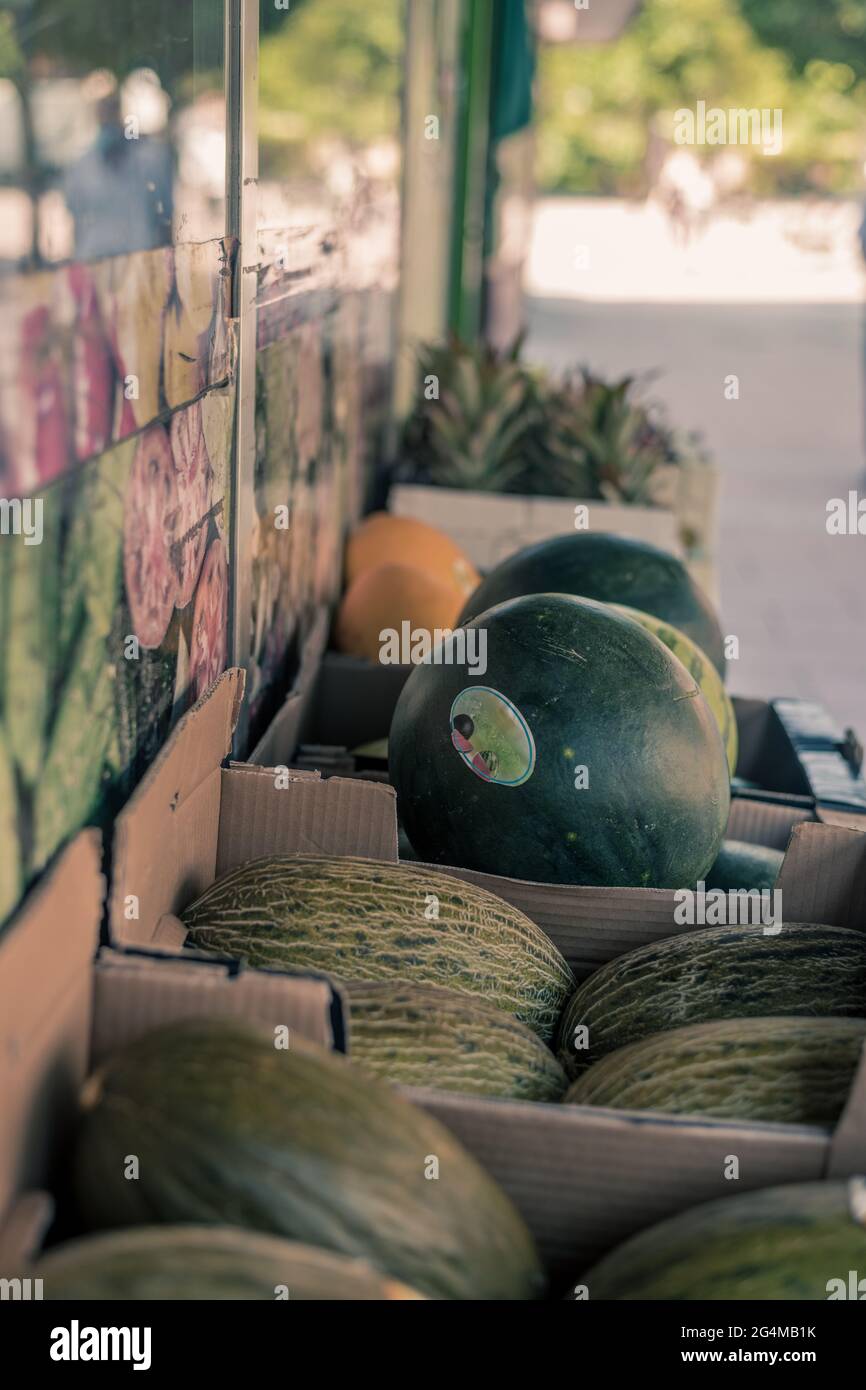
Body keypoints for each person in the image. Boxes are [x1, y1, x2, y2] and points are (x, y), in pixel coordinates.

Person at [62, 91, 173, 261]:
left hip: (139, 259)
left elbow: (165, 216)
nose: (108, 119)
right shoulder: (82, 167)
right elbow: (76, 222)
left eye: (112, 112)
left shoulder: (149, 161)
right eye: (104, 114)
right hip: (96, 260)